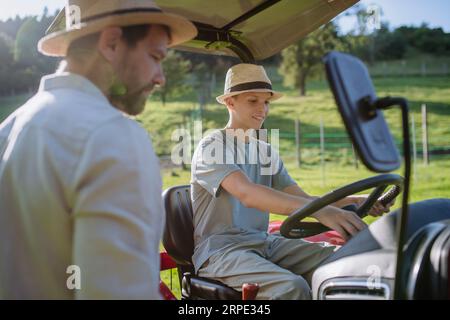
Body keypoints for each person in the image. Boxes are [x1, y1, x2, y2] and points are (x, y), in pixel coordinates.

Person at [0, 0, 196, 299]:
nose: (160, 78)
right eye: (156, 56)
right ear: (112, 42)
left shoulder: (10, 129)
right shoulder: (113, 136)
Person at [190, 63, 393, 299]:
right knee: (291, 287)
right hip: (222, 251)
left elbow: (302, 198)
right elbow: (247, 193)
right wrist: (321, 212)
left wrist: (354, 202)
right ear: (230, 102)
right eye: (253, 101)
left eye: (266, 102)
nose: (262, 109)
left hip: (264, 242)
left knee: (342, 262)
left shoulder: (264, 151)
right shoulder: (213, 146)